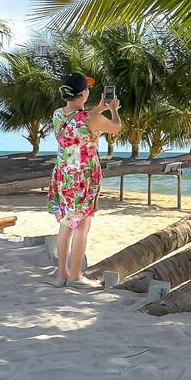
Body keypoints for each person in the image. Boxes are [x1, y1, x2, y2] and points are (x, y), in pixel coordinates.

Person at [48, 72, 120, 287]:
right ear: (83, 94)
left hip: (63, 174)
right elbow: (116, 128)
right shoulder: (91, 118)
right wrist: (114, 110)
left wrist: (99, 108)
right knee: (82, 227)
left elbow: (79, 118)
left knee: (65, 225)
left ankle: (61, 275)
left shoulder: (58, 114)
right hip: (84, 178)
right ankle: (76, 275)